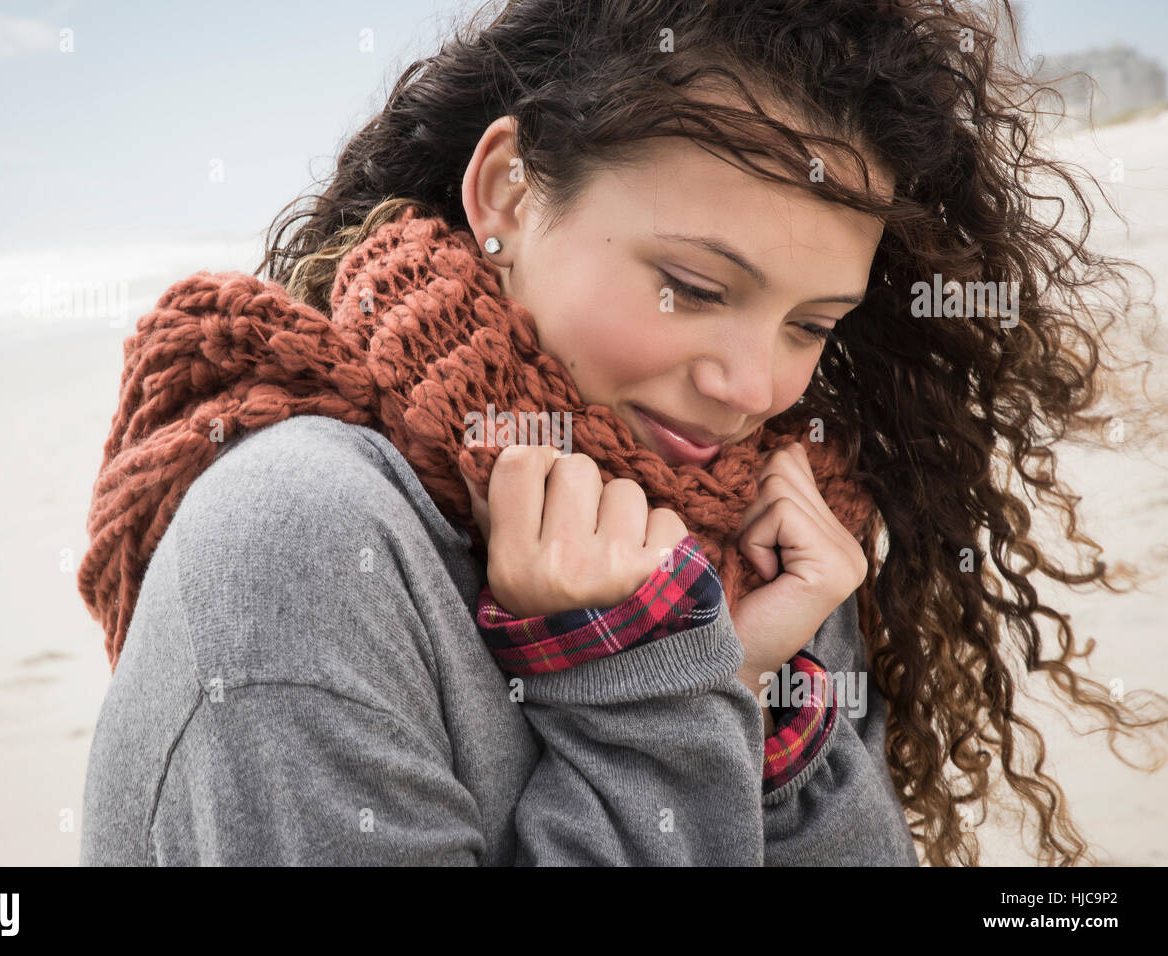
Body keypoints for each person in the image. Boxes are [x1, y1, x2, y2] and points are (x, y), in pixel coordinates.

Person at [79, 0, 1168, 866]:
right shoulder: (303, 542)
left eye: (811, 325)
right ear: (505, 190)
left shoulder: (762, 533)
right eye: (690, 286)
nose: (751, 385)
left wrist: (762, 696)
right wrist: (657, 701)